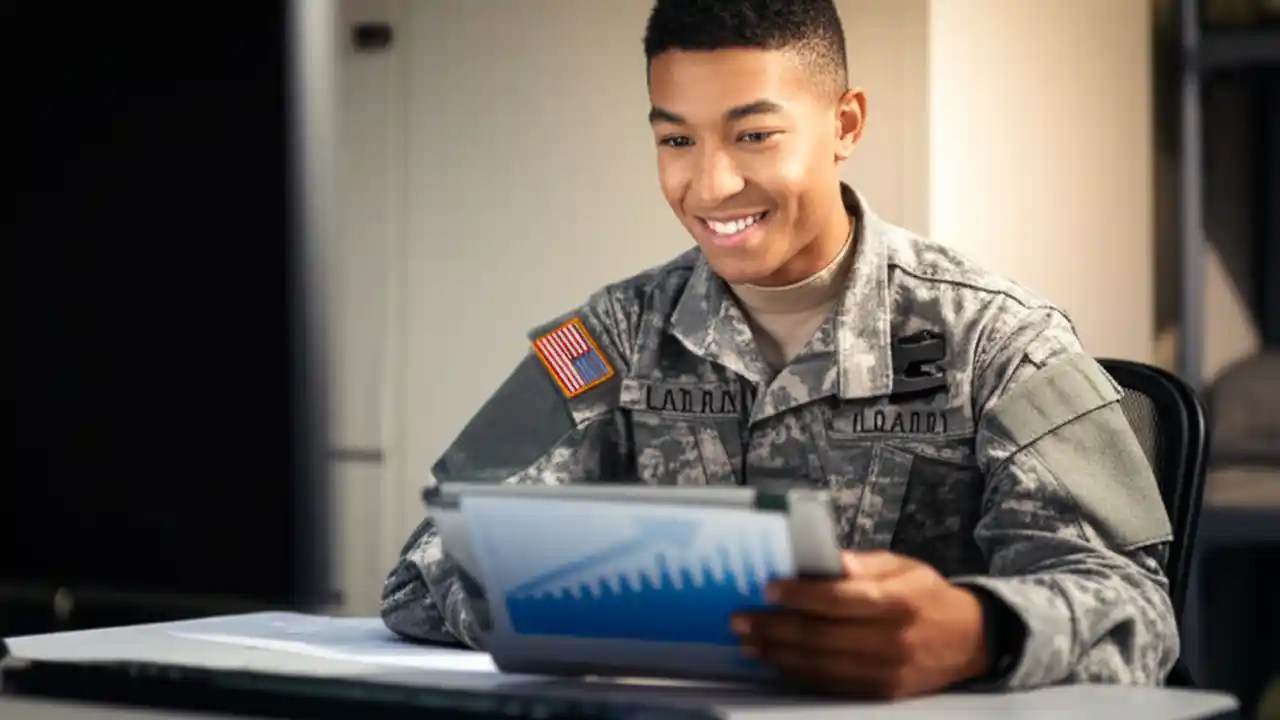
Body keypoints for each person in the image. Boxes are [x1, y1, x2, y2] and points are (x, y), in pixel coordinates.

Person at [380, 0, 1179, 698]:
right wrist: (614, 609)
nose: (711, 185)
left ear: (846, 125)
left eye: (754, 135)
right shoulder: (611, 336)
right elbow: (426, 564)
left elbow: (1136, 613)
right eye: (676, 142)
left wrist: (980, 633)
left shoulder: (1001, 339)